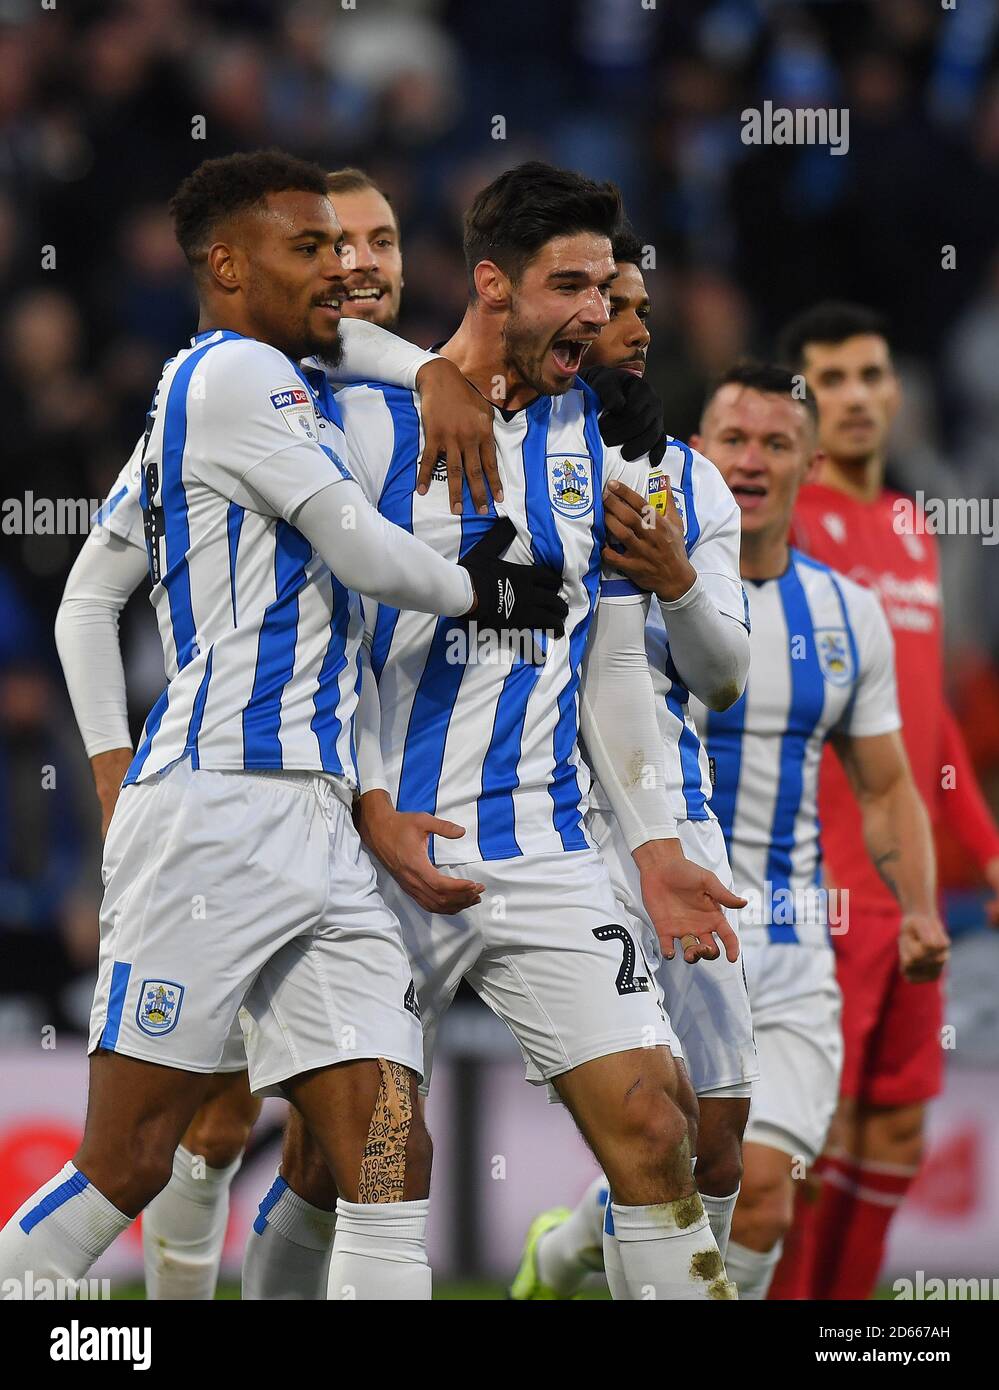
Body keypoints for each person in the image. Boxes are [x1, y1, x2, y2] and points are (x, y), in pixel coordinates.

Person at [51, 167, 670, 1300]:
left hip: (328, 820)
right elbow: (343, 557)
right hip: (221, 801)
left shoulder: (329, 382)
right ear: (235, 264)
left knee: (384, 1156)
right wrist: (109, 767)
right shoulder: (244, 381)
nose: (352, 264)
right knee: (149, 1150)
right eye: (322, 246)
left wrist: (437, 371)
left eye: (375, 240)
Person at [332, 162, 749, 1301]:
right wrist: (370, 803)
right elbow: (330, 643)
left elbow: (613, 663)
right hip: (378, 853)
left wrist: (657, 844)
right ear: (491, 284)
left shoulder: (607, 443)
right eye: (568, 284)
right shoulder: (369, 419)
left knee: (655, 1118)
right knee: (362, 1153)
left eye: (605, 287)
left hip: (543, 845)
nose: (594, 311)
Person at [509, 230, 756, 1299]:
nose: (636, 325)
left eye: (643, 306)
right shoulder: (499, 444)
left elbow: (722, 677)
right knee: (645, 1120)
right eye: (612, 304)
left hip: (673, 819)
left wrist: (677, 585)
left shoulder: (691, 486)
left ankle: (562, 1252)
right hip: (529, 814)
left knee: (721, 1137)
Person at [683, 361, 944, 1298]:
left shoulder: (847, 613)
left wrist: (918, 906)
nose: (751, 460)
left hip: (792, 957)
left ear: (811, 464)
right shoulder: (632, 593)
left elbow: (886, 788)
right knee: (674, 1199)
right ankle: (562, 1255)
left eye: (776, 444)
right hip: (655, 947)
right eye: (733, 440)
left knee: (760, 1199)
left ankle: (568, 1250)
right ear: (696, 454)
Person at [776, 302, 999, 1299]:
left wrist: (986, 850)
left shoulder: (913, 525)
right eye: (831, 381)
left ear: (895, 389)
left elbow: (932, 723)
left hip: (909, 893)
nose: (858, 398)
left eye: (871, 376)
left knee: (893, 1130)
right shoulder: (777, 522)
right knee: (802, 1140)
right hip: (818, 883)